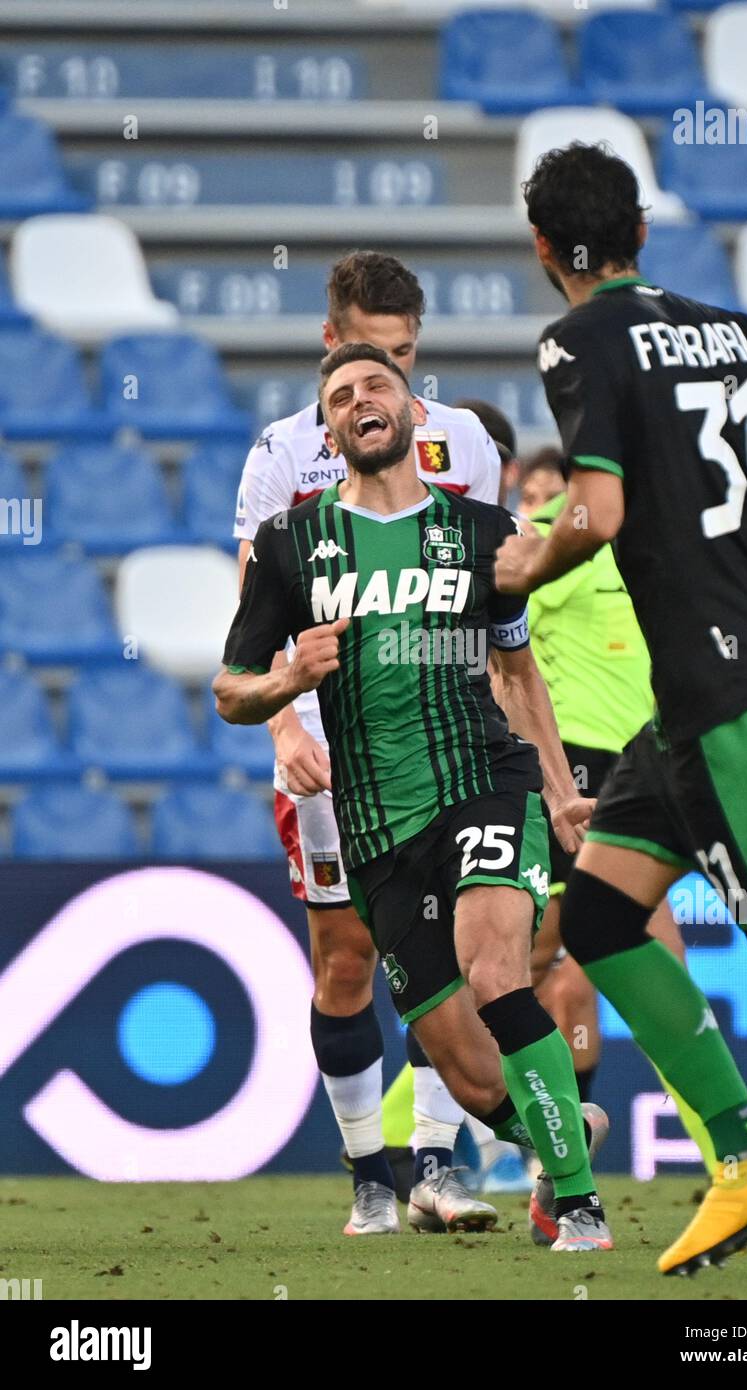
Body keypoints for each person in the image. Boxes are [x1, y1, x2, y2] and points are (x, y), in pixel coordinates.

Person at [494, 139, 747, 1276]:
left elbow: (594, 510)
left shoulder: (576, 337)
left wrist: (519, 565)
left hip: (724, 696)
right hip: (704, 692)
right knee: (601, 919)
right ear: (642, 232)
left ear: (545, 250)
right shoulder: (731, 330)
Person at [215, 342, 611, 1253]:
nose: (361, 399)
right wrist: (283, 688)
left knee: (494, 969)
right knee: (471, 1077)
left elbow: (515, 670)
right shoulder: (290, 544)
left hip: (483, 779)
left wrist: (556, 790)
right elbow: (230, 687)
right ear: (330, 429)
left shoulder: (483, 532)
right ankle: (558, 1139)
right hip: (375, 821)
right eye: (342, 394)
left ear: (412, 414)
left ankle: (582, 1212)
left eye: (378, 386)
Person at [234, 251, 500, 1234]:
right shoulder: (279, 454)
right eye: (365, 355)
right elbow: (251, 606)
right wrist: (282, 717)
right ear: (327, 345)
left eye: (403, 355)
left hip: (440, 746)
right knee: (347, 958)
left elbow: (485, 593)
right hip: (329, 750)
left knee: (450, 950)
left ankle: (439, 1162)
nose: (384, 381)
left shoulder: (465, 442)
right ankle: (370, 1175)